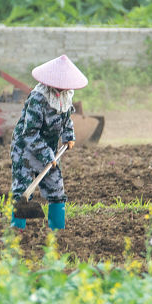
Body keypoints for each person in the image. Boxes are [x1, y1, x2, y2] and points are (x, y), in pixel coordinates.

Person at [10, 54, 88, 230]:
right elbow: (29, 133)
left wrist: (69, 136)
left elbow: (66, 119)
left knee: (56, 190)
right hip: (26, 148)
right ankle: (17, 231)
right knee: (22, 190)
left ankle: (58, 231)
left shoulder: (66, 95)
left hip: (50, 149)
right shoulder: (39, 98)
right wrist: (46, 155)